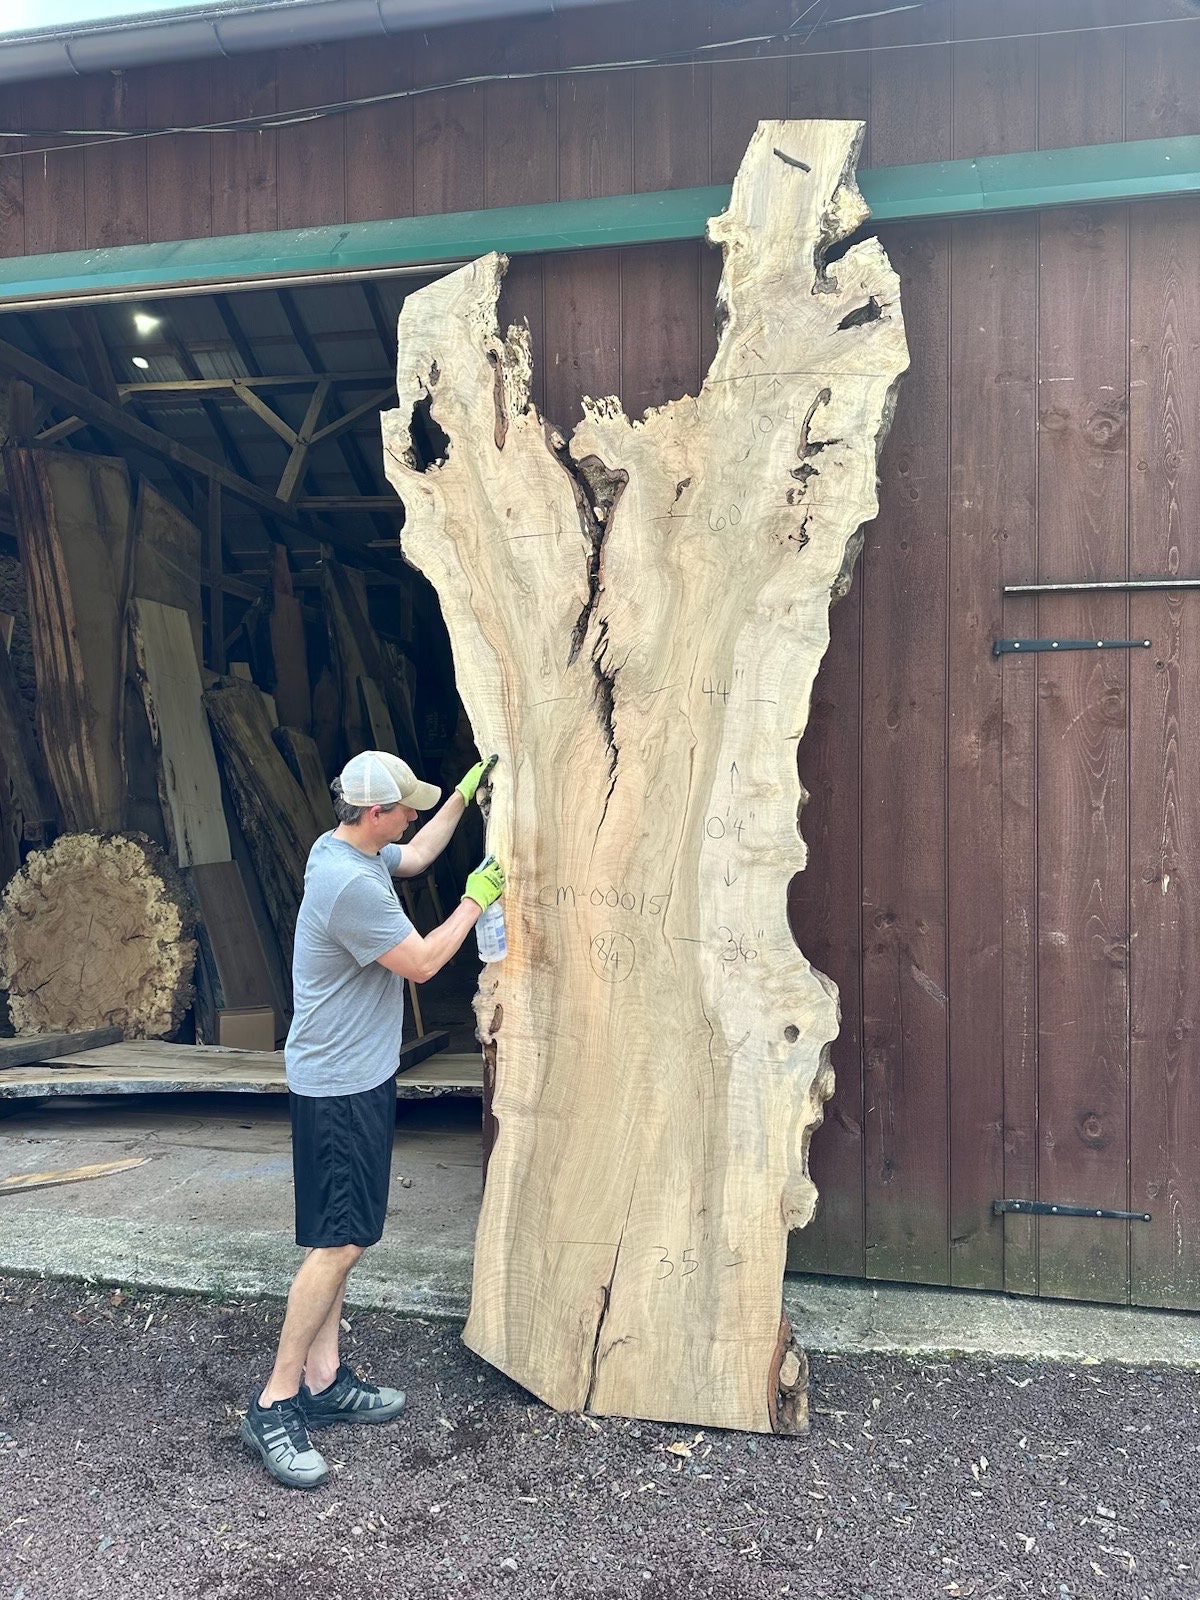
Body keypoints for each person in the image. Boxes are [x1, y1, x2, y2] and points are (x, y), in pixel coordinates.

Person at [240, 748, 504, 1490]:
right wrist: (476, 901)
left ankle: (324, 1379)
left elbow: (416, 857)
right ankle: (275, 1402)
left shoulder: (346, 848)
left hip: (351, 1076)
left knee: (340, 1236)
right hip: (339, 1088)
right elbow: (422, 963)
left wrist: (462, 795)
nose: (414, 815)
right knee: (340, 1242)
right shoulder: (350, 885)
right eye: (406, 806)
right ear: (375, 812)